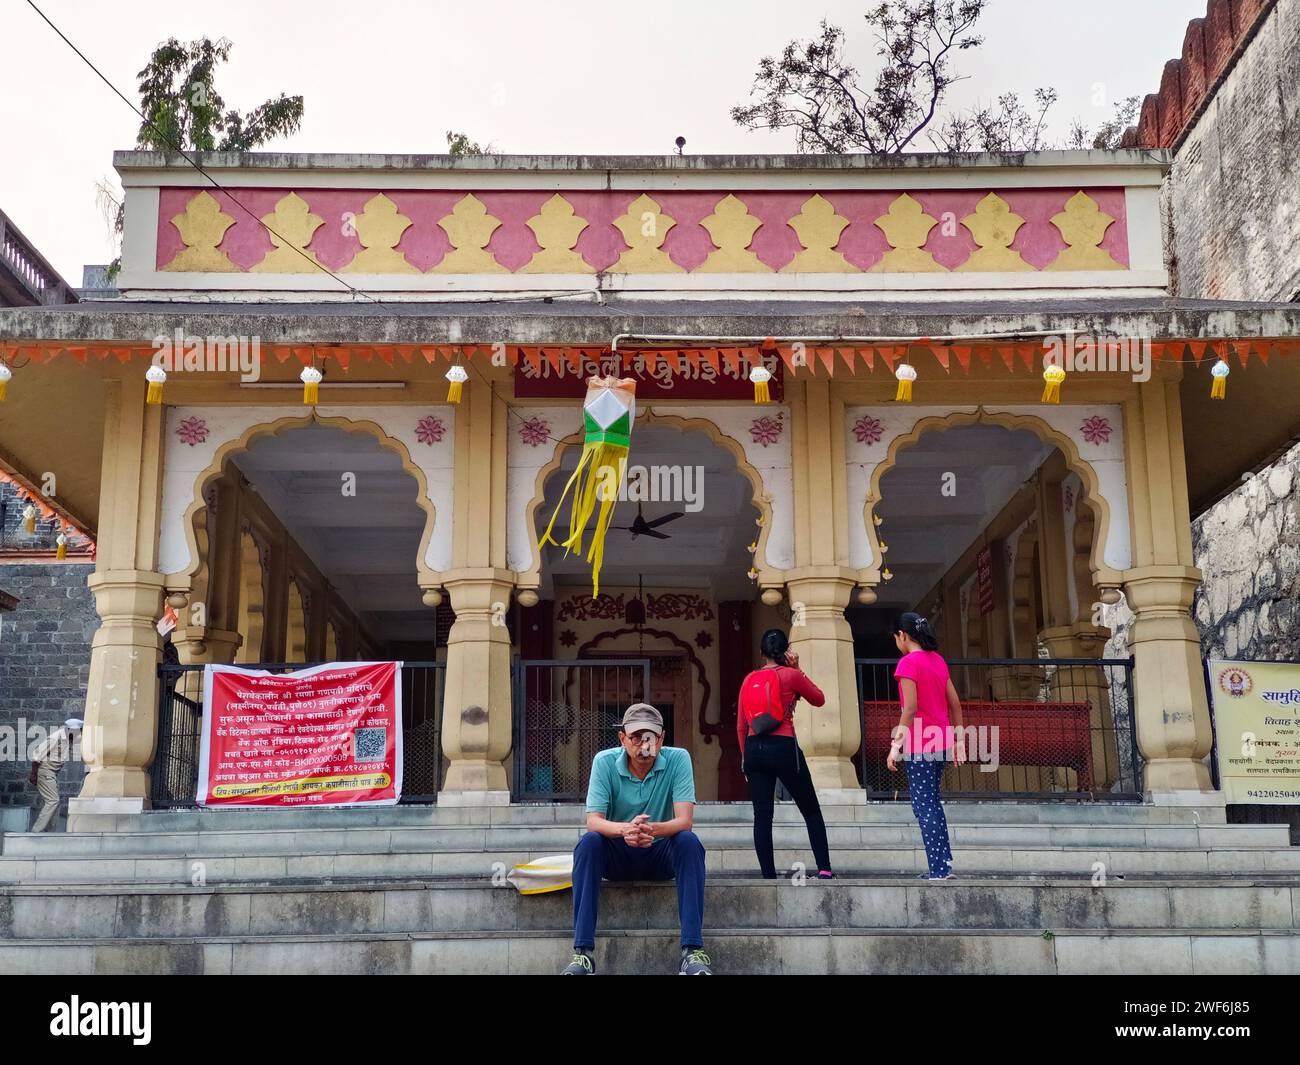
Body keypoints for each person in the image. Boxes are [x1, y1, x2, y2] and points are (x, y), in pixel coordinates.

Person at [563, 703, 712, 975]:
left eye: (651, 737)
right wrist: (625, 830)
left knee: (689, 843)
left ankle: (693, 951)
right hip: (618, 856)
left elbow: (684, 821)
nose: (644, 745)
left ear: (662, 738)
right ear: (622, 738)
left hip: (659, 855)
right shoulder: (604, 762)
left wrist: (650, 830)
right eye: (636, 737)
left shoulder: (678, 759)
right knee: (589, 843)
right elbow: (593, 821)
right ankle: (582, 954)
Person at [738, 629, 833, 880]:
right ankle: (824, 869)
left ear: (761, 652)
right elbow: (819, 699)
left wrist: (745, 759)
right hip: (783, 746)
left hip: (754, 749)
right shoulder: (791, 676)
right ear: (786, 651)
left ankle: (768, 875)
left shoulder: (749, 679)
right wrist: (798, 669)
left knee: (762, 815)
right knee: (810, 810)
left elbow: (741, 725)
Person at [886, 613, 966, 880]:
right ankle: (943, 865)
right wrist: (959, 741)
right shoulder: (938, 661)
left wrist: (896, 746)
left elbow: (909, 709)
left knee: (924, 807)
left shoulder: (908, 663)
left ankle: (939, 870)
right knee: (933, 802)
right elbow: (955, 704)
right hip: (941, 742)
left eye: (896, 637)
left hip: (919, 744)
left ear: (903, 636)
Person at [28, 718, 83, 832]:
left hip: (52, 773)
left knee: (52, 803)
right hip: (44, 771)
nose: (80, 734)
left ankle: (49, 831)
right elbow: (36, 756)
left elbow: (77, 753)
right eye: (79, 731)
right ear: (70, 730)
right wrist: (34, 775)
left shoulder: (69, 738)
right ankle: (35, 832)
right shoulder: (55, 737)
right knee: (53, 801)